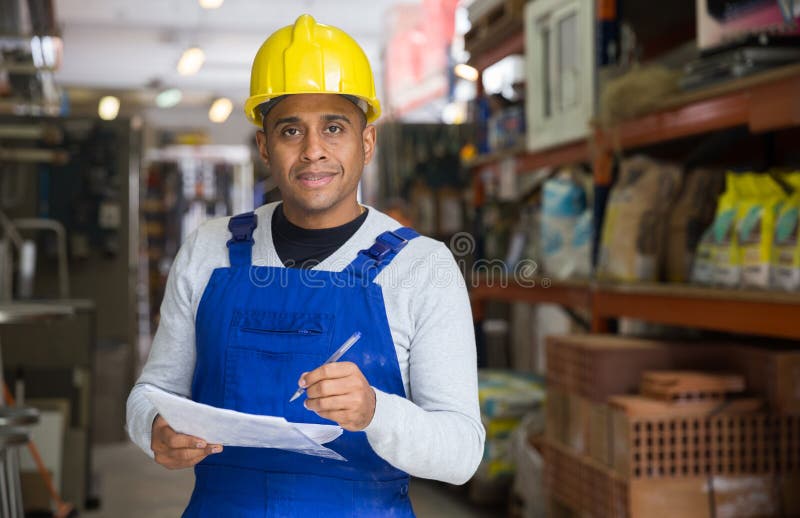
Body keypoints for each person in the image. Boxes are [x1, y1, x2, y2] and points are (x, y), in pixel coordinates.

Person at [126, 14, 484, 517]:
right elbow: (151, 392)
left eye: (333, 128)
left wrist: (376, 412)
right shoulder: (209, 248)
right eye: (291, 130)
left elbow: (462, 451)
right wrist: (154, 430)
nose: (313, 151)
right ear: (264, 145)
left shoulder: (423, 266)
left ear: (367, 142)